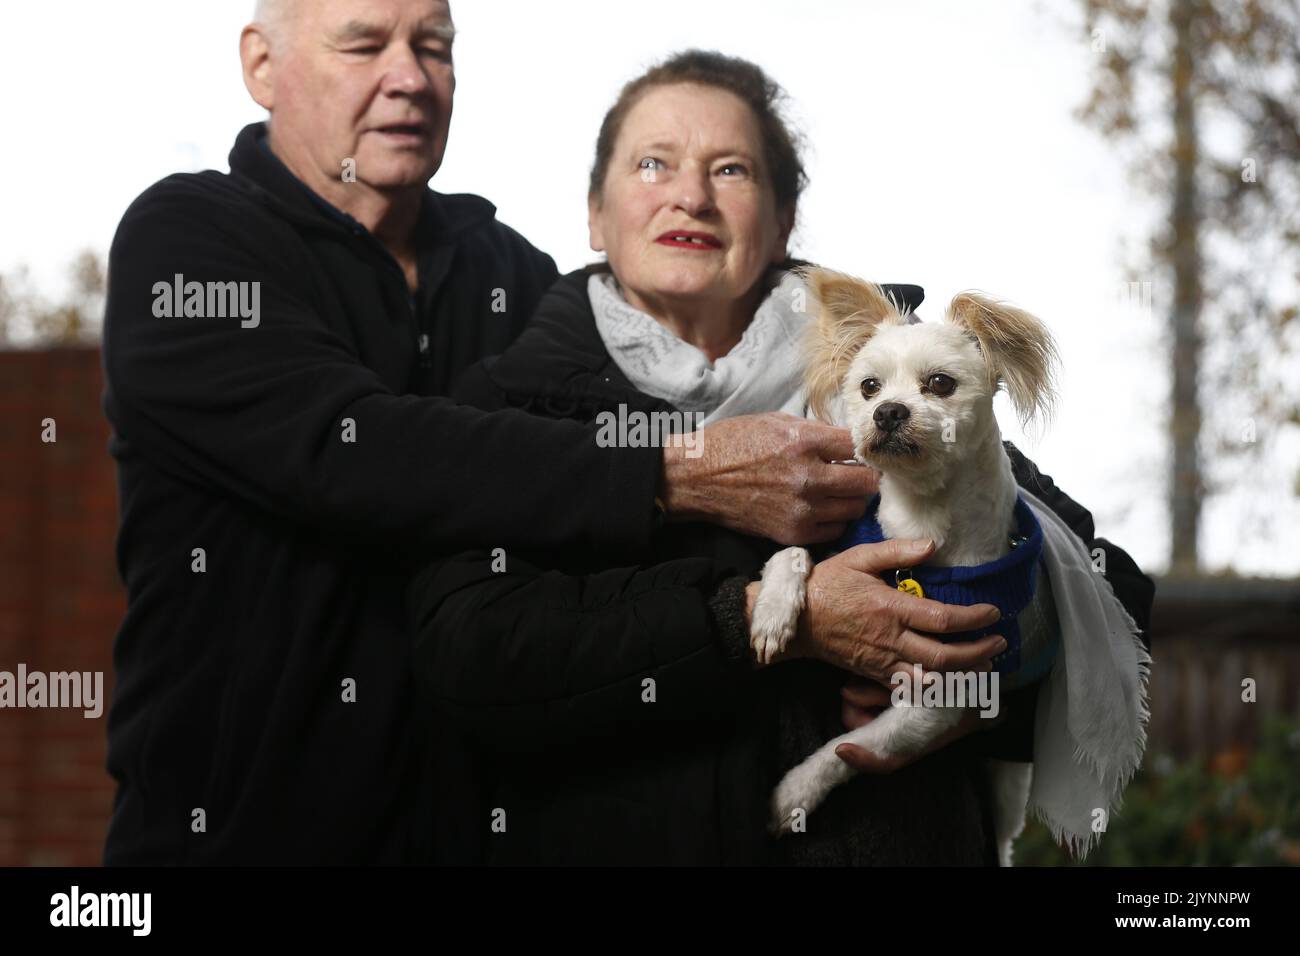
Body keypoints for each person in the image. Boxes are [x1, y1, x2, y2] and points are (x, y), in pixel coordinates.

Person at [100, 0, 975, 865]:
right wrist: (675, 472)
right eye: (364, 44)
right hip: (240, 831)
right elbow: (348, 446)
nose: (408, 77)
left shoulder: (513, 283)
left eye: (434, 47)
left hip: (467, 828)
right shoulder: (188, 243)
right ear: (260, 65)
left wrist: (920, 646)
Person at [408, 50, 1156, 865]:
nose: (689, 195)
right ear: (595, 213)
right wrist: (757, 616)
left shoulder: (887, 382)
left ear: (784, 216)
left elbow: (1110, 593)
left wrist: (986, 685)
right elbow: (469, 657)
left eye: (730, 169)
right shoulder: (508, 402)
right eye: (653, 164)